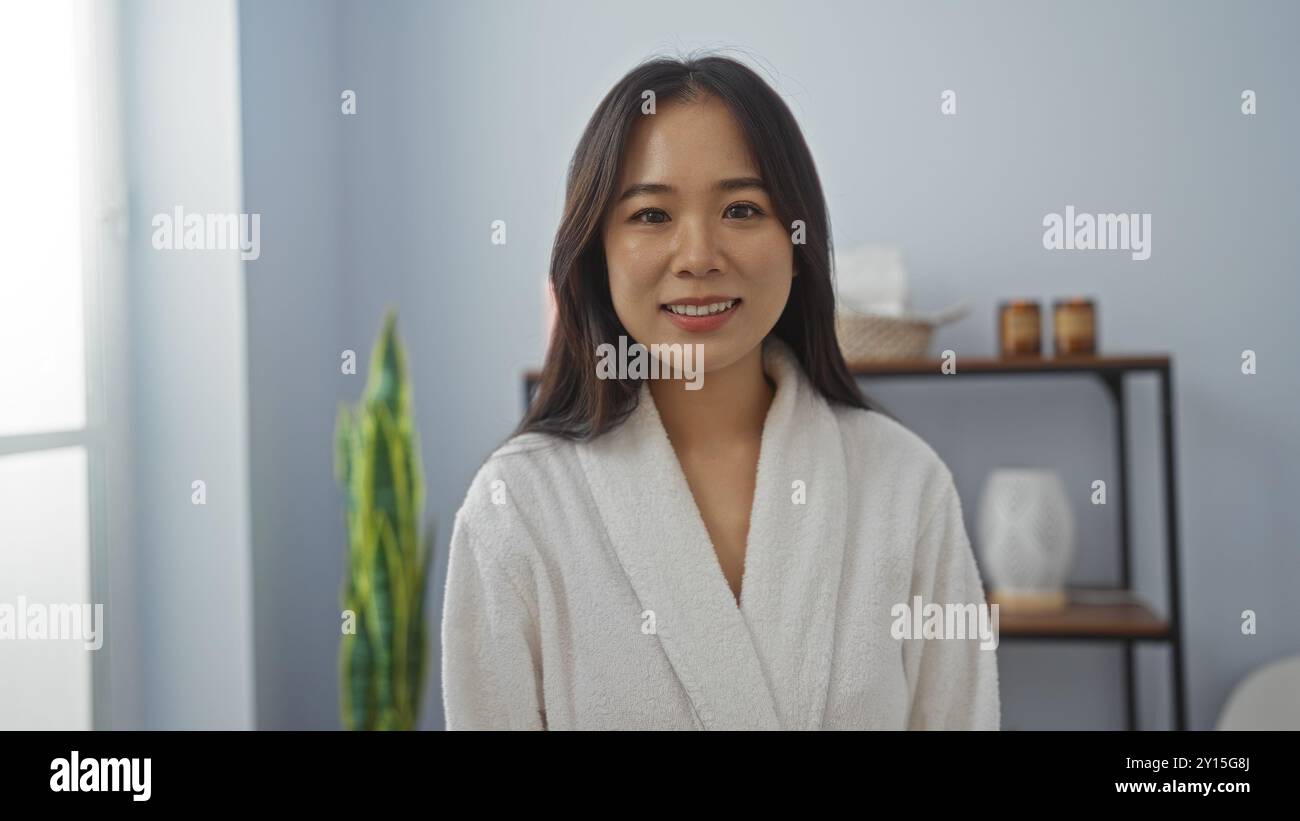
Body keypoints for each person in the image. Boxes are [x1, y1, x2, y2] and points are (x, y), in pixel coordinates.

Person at [441, 52, 1000, 730]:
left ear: (797, 241)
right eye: (651, 215)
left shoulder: (907, 486)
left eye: (741, 208)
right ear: (598, 250)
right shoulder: (514, 508)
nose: (700, 254)